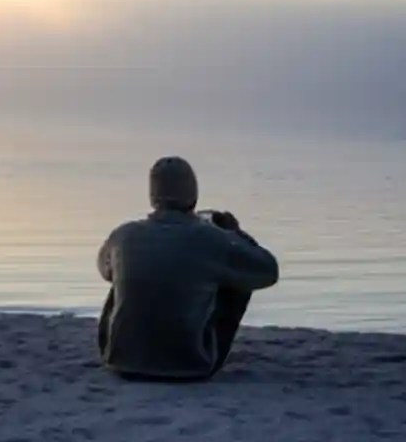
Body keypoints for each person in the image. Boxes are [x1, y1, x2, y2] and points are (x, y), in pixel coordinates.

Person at [96, 156, 279, 380]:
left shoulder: (124, 235)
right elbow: (268, 271)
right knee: (239, 273)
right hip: (191, 366)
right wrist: (235, 234)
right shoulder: (211, 238)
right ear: (193, 194)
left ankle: (127, 345)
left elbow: (104, 271)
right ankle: (196, 345)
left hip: (121, 363)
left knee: (123, 273)